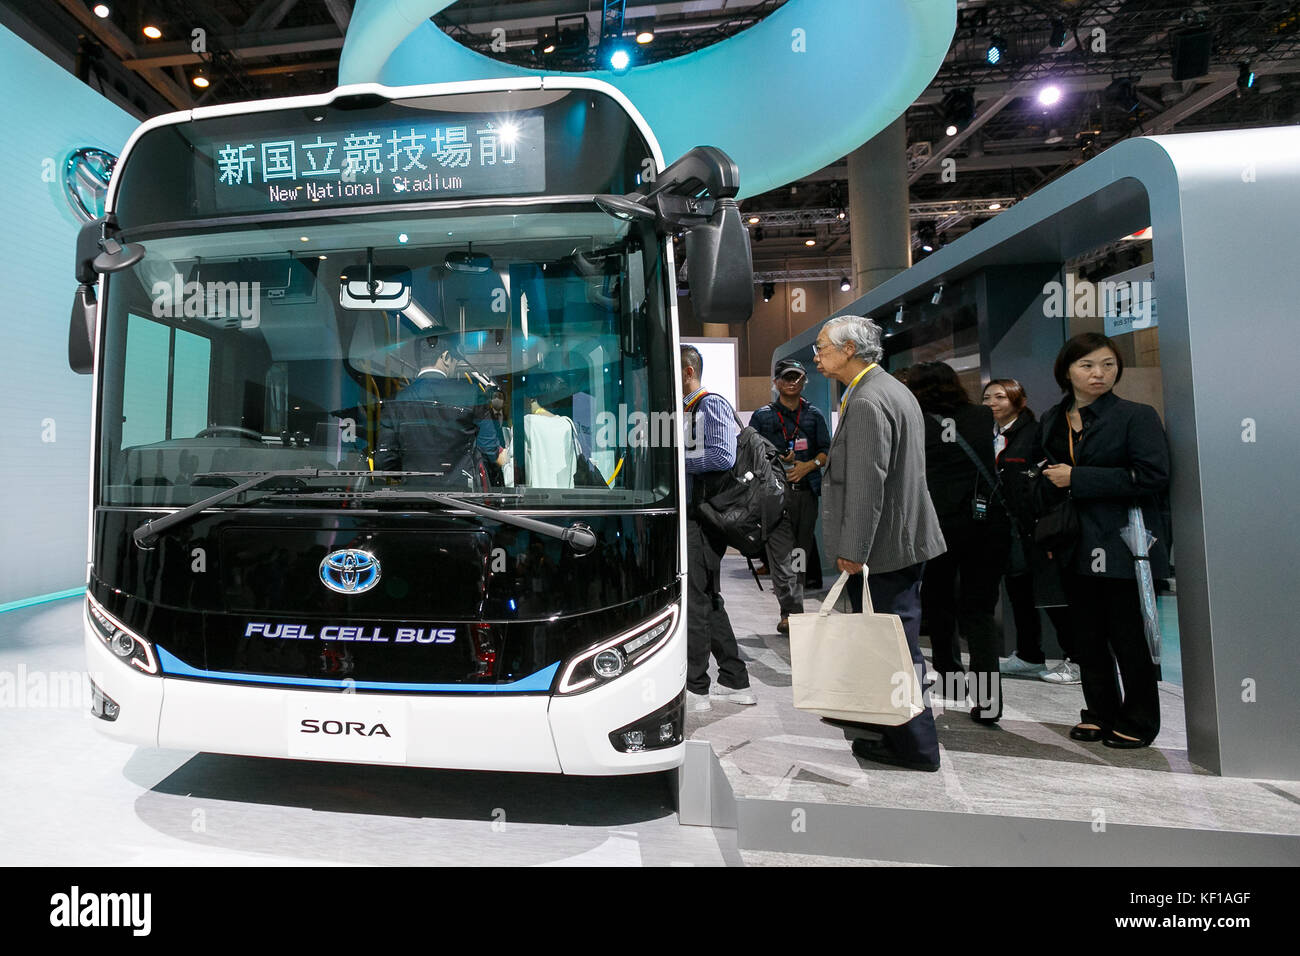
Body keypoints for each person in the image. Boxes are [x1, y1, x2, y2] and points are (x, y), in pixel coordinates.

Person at [814, 316, 947, 770]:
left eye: (822, 348)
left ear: (849, 349)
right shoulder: (887, 389)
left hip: (885, 548)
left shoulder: (870, 400)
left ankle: (917, 748)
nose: (816, 356)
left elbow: (869, 485)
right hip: (900, 540)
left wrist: (854, 549)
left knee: (896, 651)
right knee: (892, 647)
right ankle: (895, 738)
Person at [1038, 333, 1170, 749]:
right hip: (1070, 541)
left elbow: (1152, 476)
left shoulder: (1136, 415)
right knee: (1086, 638)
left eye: (1108, 365)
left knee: (1129, 637)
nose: (1099, 374)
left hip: (1123, 544)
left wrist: (1078, 478)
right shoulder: (1052, 419)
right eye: (1088, 366)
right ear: (1067, 372)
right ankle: (1099, 711)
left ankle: (1140, 718)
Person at [906, 361, 1010, 724]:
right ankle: (988, 702)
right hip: (984, 523)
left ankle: (950, 681)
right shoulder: (982, 417)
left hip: (935, 525)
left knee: (938, 603)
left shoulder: (915, 420)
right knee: (979, 610)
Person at [982, 379, 1080, 684]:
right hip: (1006, 529)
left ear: (1018, 400)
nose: (993, 402)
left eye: (1000, 396)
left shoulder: (1034, 433)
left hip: (1037, 527)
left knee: (1052, 595)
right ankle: (1028, 655)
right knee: (1019, 593)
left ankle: (1076, 660)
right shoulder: (989, 436)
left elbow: (1047, 478)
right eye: (987, 398)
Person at [680, 344, 756, 712]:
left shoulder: (710, 404)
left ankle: (697, 687)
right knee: (707, 597)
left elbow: (722, 455)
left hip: (705, 519)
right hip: (699, 517)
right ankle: (734, 678)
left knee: (697, 599)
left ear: (688, 371)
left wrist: (674, 461)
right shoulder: (690, 408)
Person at [749, 359, 831, 633]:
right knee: (781, 555)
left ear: (804, 380)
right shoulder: (762, 417)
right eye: (786, 378)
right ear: (776, 382)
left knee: (799, 553)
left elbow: (825, 451)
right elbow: (750, 454)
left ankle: (793, 608)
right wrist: (777, 460)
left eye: (797, 377)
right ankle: (791, 609)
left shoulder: (814, 416)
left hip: (806, 495)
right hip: (775, 498)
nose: (792, 382)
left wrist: (809, 465)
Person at [374, 336, 494, 490]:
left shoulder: (395, 402)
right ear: (445, 357)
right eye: (455, 360)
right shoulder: (472, 394)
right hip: (463, 502)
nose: (456, 366)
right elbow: (488, 449)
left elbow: (384, 461)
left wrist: (411, 471)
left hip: (412, 501)